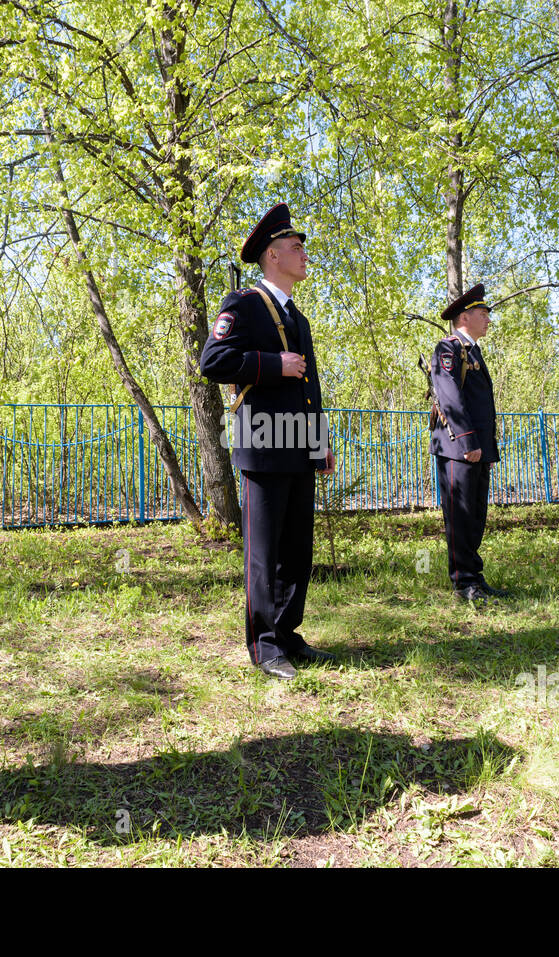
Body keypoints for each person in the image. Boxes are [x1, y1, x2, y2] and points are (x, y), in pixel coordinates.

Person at [200, 203, 336, 679]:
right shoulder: (243, 305)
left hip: (299, 445)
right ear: (273, 255)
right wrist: (273, 364)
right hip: (262, 443)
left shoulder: (298, 318)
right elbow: (213, 361)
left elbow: (310, 389)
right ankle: (264, 646)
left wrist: (319, 442)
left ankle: (288, 634)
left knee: (297, 550)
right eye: (296, 248)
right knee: (264, 553)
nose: (305, 255)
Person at [429, 283, 507, 605]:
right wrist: (467, 441)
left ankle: (475, 576)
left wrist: (485, 448)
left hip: (477, 449)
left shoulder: (472, 351)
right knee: (460, 516)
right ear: (465, 317)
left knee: (475, 516)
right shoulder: (448, 349)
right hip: (458, 448)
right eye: (483, 313)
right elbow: (450, 397)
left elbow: (480, 403)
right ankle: (463, 583)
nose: (488, 319)